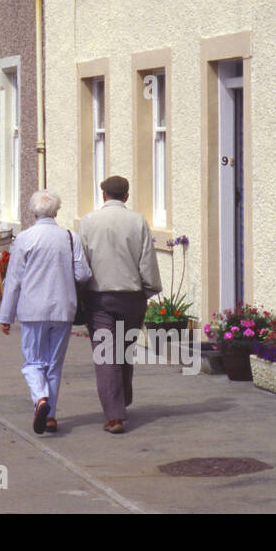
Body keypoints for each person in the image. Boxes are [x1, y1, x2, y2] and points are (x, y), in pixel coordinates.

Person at [0, 190, 93, 435]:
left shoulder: (25, 239)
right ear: (57, 211)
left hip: (32, 309)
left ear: (33, 212)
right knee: (54, 363)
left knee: (32, 361)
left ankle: (40, 399)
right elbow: (83, 274)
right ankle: (49, 415)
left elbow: (14, 280)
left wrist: (6, 316)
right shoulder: (70, 238)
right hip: (63, 307)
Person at [77, 175, 163, 435]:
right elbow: (147, 260)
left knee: (106, 356)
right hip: (131, 296)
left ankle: (115, 414)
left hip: (99, 297)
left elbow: (82, 263)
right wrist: (148, 289)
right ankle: (121, 400)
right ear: (126, 196)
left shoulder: (88, 222)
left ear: (103, 195)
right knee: (125, 351)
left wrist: (80, 292)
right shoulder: (137, 221)